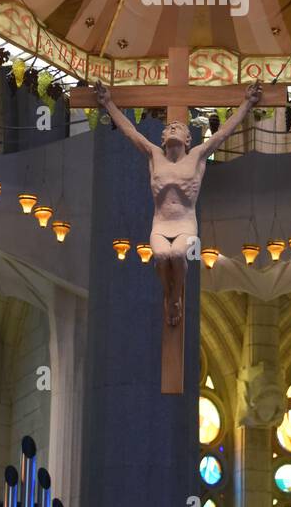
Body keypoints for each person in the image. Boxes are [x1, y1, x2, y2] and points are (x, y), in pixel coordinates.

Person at [93, 80, 263, 326]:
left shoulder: (197, 156)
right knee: (161, 256)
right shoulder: (154, 155)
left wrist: (247, 103)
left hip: (185, 224)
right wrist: (108, 103)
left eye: (179, 127)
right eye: (169, 127)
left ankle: (174, 297)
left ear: (188, 138)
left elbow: (223, 132)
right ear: (162, 139)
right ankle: (169, 295)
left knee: (178, 253)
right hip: (161, 225)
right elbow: (130, 131)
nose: (173, 128)